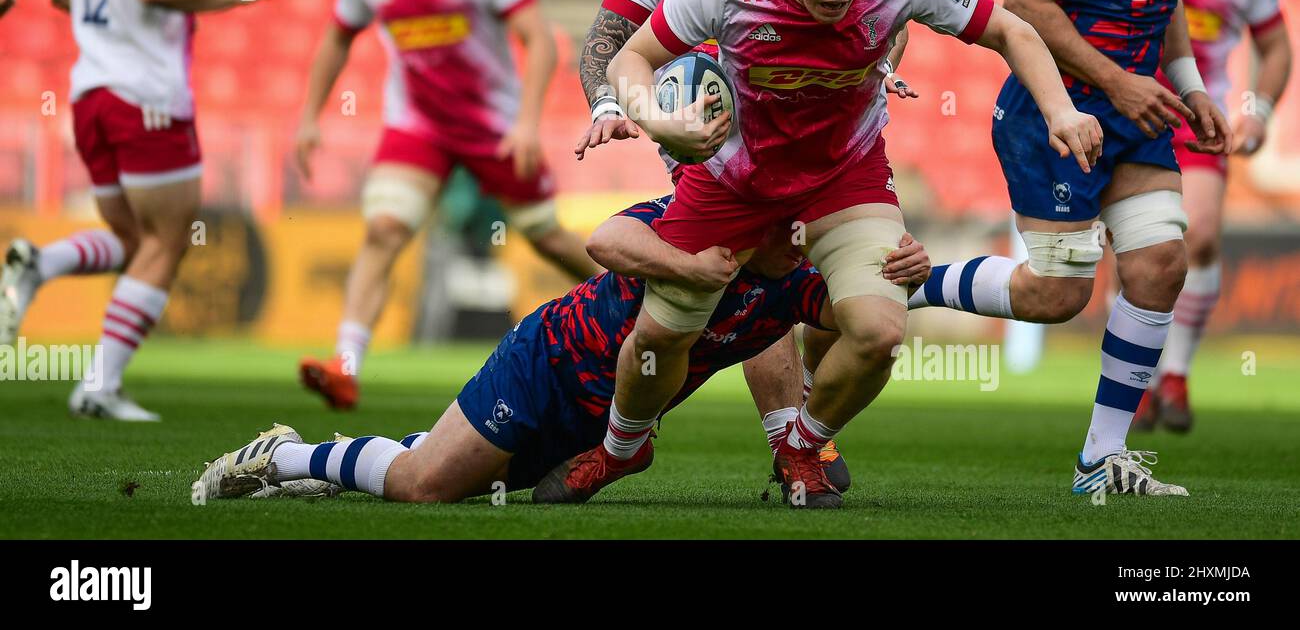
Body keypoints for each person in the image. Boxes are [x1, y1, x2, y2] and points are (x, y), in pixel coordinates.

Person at [547, 0, 1098, 509]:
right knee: (659, 338)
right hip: (733, 178)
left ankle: (803, 448)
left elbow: (1012, 30)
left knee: (878, 333)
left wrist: (1060, 111)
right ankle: (621, 450)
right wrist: (663, 123)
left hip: (845, 177)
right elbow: (629, 60)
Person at [907, 0, 1232, 495]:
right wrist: (1117, 82)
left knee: (1160, 266)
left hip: (1135, 109)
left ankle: (1099, 461)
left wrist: (1193, 87)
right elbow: (1023, 1)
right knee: (1057, 295)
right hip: (1055, 108)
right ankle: (912, 283)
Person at [573, 0, 912, 488]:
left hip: (821, 134)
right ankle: (788, 443)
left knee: (818, 281)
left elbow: (889, 10)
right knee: (756, 273)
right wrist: (613, 105)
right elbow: (608, 40)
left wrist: (883, 62)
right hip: (709, 141)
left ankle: (800, 436)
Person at [193, 196, 931, 504]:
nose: (795, 236)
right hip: (545, 363)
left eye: (804, 228)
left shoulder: (795, 282)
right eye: (786, 225)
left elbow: (857, 326)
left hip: (604, 418)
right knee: (425, 485)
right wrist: (687, 269)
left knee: (467, 480)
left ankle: (356, 461)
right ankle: (284, 454)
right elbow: (604, 240)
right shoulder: (696, 226)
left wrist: (901, 273)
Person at [0, 0, 276, 419]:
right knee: (168, 241)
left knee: (132, 241)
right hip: (148, 96)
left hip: (91, 94)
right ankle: (99, 385)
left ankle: (39, 262)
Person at [294, 0, 598, 410]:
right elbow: (338, 37)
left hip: (494, 127)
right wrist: (310, 115)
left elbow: (540, 39)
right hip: (418, 126)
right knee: (384, 229)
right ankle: (346, 364)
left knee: (547, 237)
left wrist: (528, 122)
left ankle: (643, 304)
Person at [1133, 0, 1290, 432]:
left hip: (1198, 122)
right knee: (1142, 255)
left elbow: (1276, 48)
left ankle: (1174, 375)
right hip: (1130, 112)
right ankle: (1141, 382)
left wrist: (1258, 112)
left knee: (1196, 239)